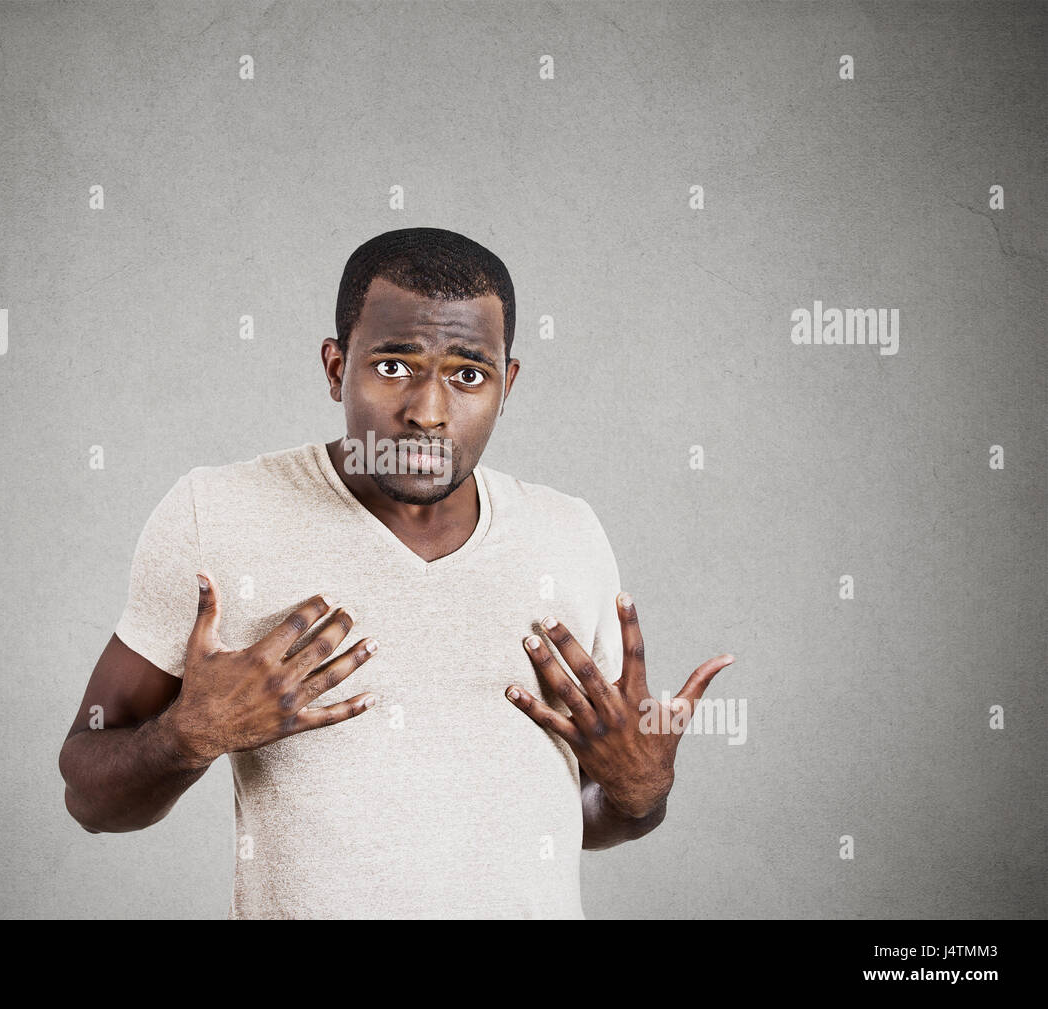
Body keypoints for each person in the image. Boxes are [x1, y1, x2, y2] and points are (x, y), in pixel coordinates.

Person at [58, 227, 734, 918]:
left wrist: (642, 792)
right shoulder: (220, 512)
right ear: (334, 367)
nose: (427, 412)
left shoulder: (569, 534)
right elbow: (88, 795)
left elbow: (578, 818)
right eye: (392, 366)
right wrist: (185, 737)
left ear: (509, 384)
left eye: (468, 374)